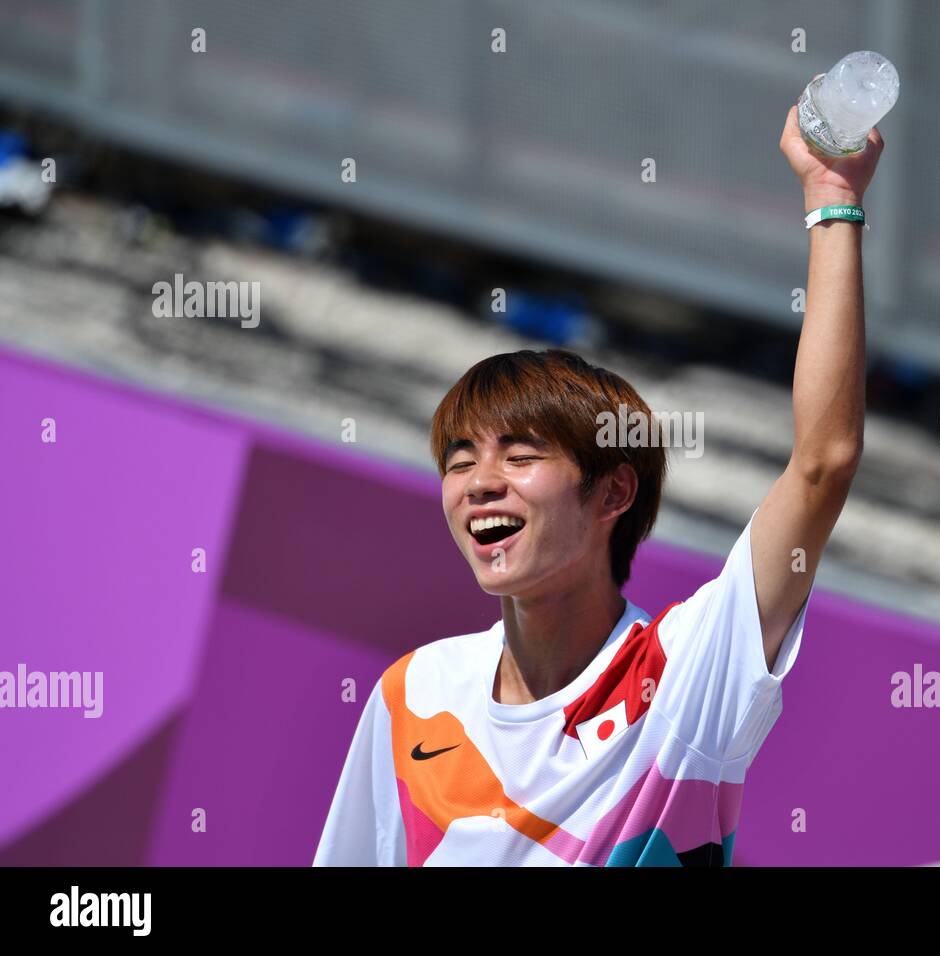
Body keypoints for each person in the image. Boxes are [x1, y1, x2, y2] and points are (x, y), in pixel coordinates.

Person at [312, 91, 883, 866]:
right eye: (459, 460)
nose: (481, 482)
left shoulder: (683, 679)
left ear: (614, 492)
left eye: (520, 457)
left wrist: (833, 202)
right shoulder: (413, 695)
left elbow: (824, 462)